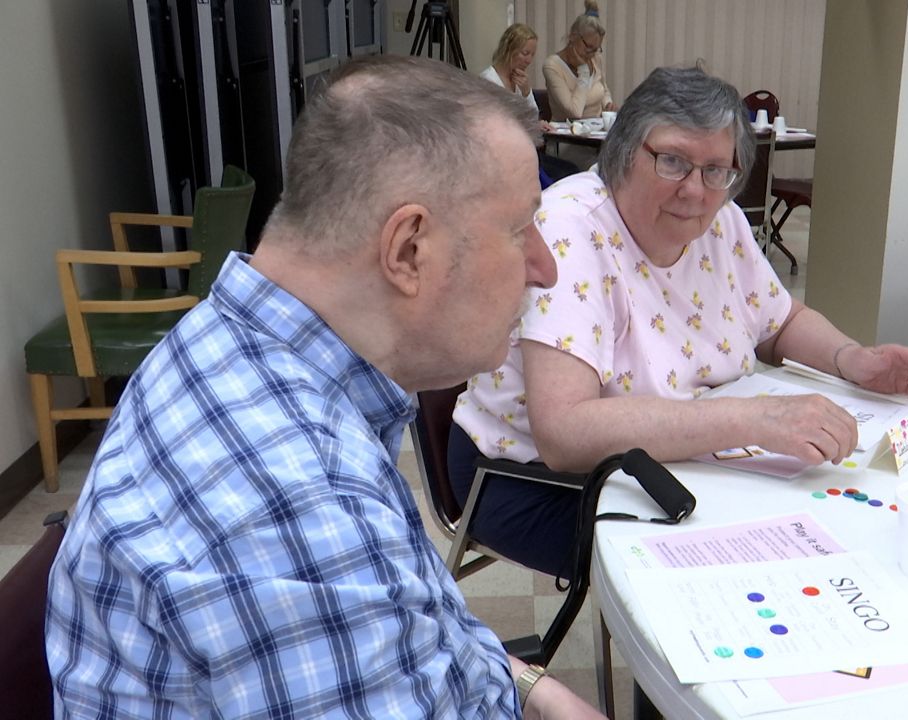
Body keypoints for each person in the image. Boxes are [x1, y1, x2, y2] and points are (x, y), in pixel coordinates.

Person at [45, 56, 603, 720]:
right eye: (519, 229)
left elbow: (419, 620)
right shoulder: (293, 497)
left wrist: (534, 689)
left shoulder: (245, 347)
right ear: (407, 251)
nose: (545, 269)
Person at [450, 66, 908, 576]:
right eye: (672, 161)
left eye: (716, 170)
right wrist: (754, 420)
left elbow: (779, 320)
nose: (695, 191)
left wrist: (853, 360)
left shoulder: (719, 219)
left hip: (672, 463)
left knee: (834, 523)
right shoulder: (571, 231)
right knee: (755, 561)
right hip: (530, 480)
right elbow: (565, 433)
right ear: (622, 151)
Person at [481, 23, 577, 185]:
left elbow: (532, 116)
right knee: (562, 176)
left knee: (571, 170)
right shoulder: (488, 81)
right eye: (525, 53)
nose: (528, 60)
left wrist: (526, 92)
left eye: (532, 55)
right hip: (505, 156)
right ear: (508, 49)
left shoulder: (519, 80)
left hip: (525, 151)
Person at [542, 0, 615, 121]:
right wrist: (584, 72)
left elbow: (603, 89)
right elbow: (574, 112)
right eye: (588, 47)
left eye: (596, 49)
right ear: (572, 36)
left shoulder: (596, 58)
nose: (591, 54)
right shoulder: (552, 66)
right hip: (566, 135)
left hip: (596, 132)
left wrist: (608, 104)